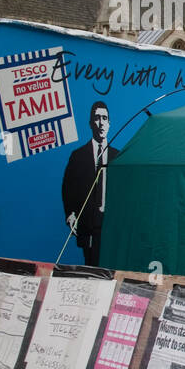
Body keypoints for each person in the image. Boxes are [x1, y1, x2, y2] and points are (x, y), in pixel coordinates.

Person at [62, 101, 112, 266]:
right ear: (91, 123)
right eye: (97, 118)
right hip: (88, 224)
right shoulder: (78, 155)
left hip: (110, 224)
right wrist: (71, 213)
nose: (101, 122)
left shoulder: (117, 156)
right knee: (91, 266)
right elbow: (68, 187)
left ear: (109, 123)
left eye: (104, 118)